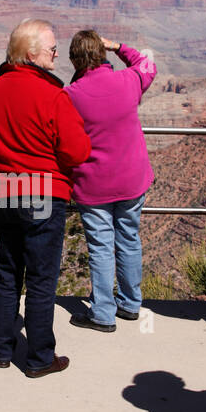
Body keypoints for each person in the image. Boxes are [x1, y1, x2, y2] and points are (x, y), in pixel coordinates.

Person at [0, 19, 92, 377]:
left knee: (8, 272)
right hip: (43, 194)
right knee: (42, 281)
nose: (57, 55)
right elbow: (77, 151)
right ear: (31, 53)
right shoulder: (53, 95)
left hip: (1, 193)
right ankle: (40, 357)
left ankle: (0, 349)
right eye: (52, 49)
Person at [64, 30, 157, 332]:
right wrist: (118, 46)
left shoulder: (71, 96)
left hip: (94, 184)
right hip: (131, 179)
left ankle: (103, 313)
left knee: (102, 247)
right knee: (129, 238)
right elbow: (147, 64)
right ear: (101, 54)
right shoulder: (128, 81)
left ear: (75, 59)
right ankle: (131, 304)